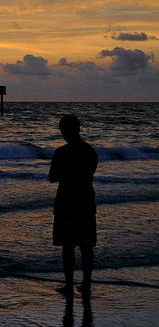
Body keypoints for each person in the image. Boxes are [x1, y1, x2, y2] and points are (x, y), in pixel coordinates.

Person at [48, 115, 98, 296]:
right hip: (85, 201)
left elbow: (52, 177)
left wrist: (66, 173)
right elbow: (89, 174)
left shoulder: (61, 153)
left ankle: (69, 285)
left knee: (68, 247)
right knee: (86, 246)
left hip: (66, 202)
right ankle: (86, 284)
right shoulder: (90, 151)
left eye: (63, 130)